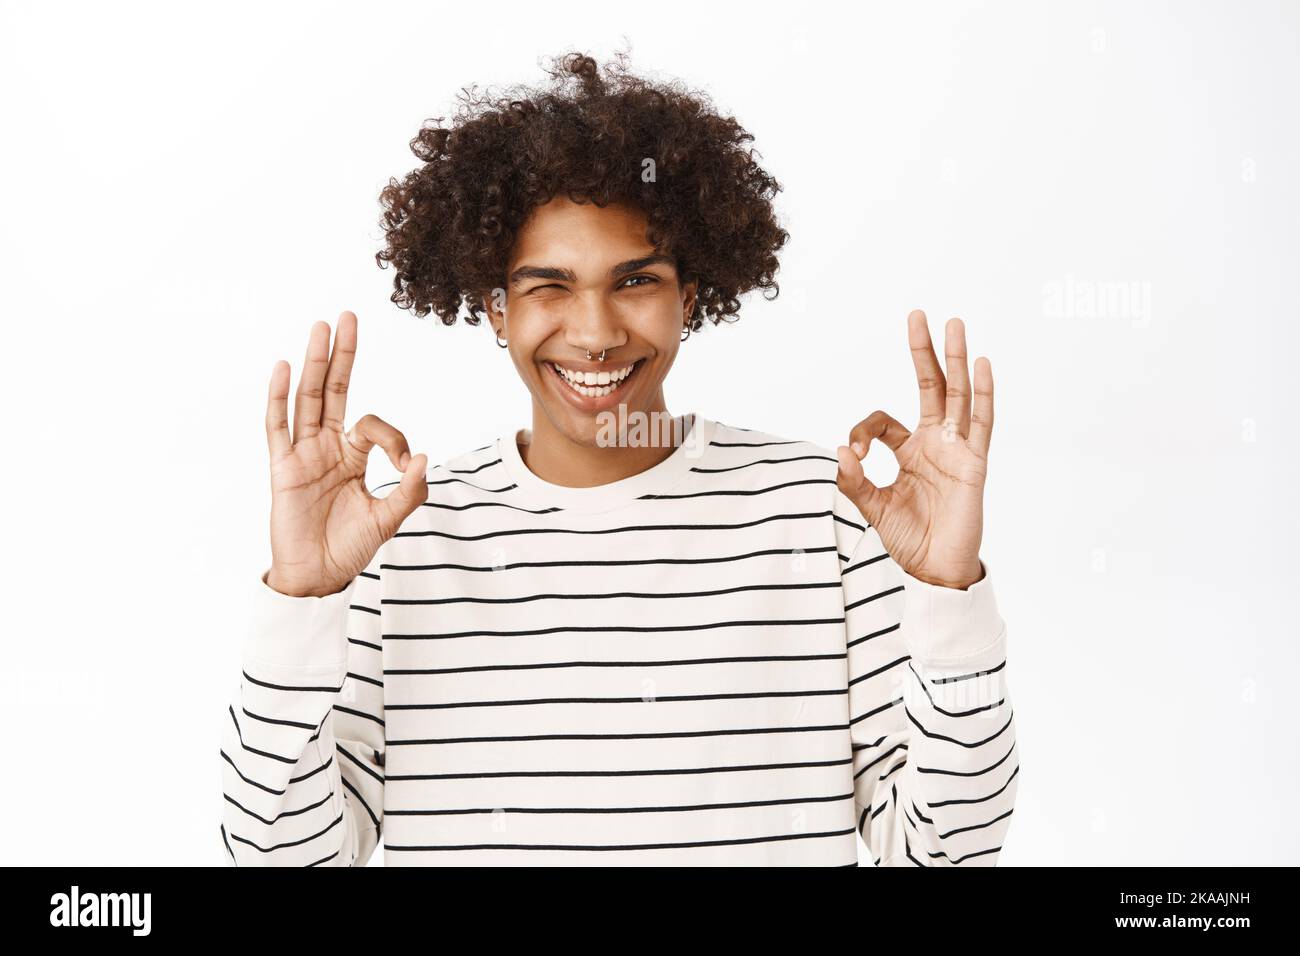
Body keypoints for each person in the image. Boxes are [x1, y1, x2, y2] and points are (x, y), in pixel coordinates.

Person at [219, 51, 1017, 867]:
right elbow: (282, 860)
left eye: (635, 280)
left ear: (690, 299)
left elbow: (947, 851)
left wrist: (948, 594)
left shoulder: (824, 513)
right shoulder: (399, 543)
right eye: (548, 288)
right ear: (495, 310)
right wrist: (300, 599)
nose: (596, 333)